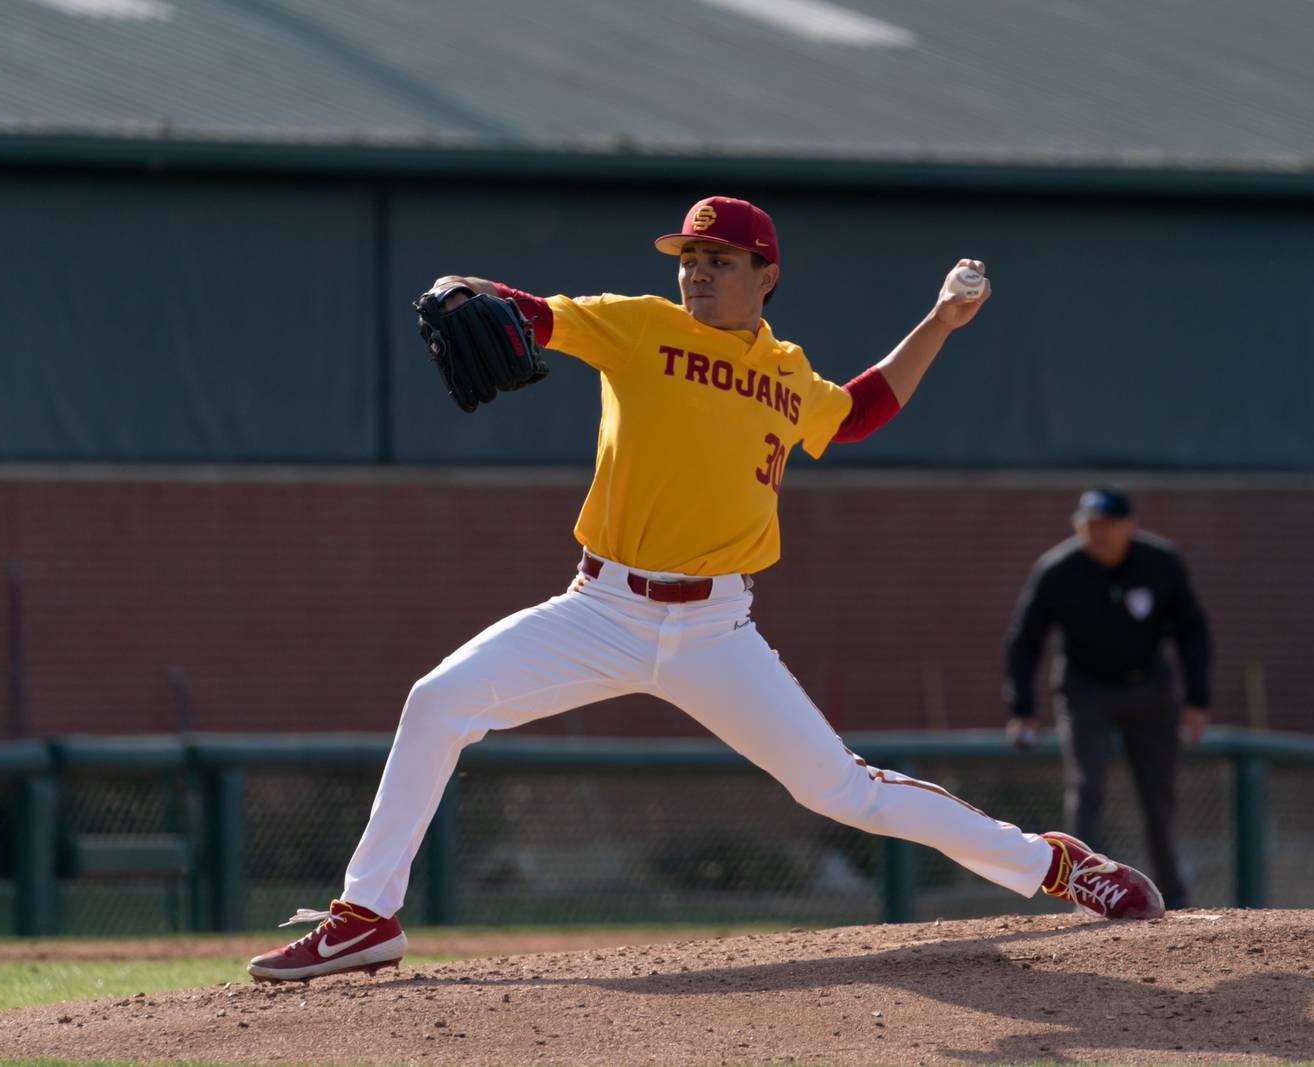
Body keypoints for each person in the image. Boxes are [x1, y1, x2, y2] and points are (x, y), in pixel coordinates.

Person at [249, 196, 1164, 984]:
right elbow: (533, 313)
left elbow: (859, 411)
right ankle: (366, 917)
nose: (696, 272)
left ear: (765, 273)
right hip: (599, 609)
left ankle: (1055, 863)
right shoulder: (641, 326)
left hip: (720, 629)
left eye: (718, 259)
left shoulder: (785, 371)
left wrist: (938, 321)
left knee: (844, 791)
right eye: (689, 256)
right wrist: (463, 287)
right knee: (438, 699)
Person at [1003, 487, 1211, 909]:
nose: (1096, 534)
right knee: (1087, 785)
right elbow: (1025, 640)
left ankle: (1175, 898)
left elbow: (1193, 632)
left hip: (1149, 690)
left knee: (1159, 795)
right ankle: (1089, 893)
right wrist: (1023, 709)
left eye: (1105, 525)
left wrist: (1197, 700)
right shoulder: (1058, 570)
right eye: (1088, 526)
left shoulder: (1160, 563)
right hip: (1086, 690)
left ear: (1128, 525)